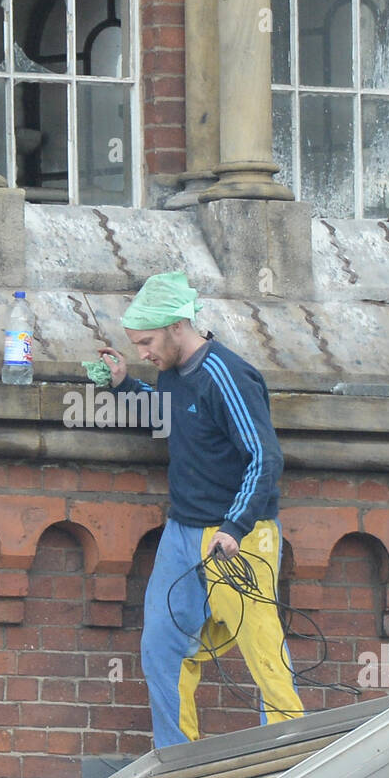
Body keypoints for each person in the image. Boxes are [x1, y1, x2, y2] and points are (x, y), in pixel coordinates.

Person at [95, 269, 305, 748]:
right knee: (163, 646)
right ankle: (176, 757)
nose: (144, 353)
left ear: (176, 327)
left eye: (146, 342)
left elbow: (265, 456)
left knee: (261, 646)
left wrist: (235, 526)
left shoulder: (227, 374)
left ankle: (289, 748)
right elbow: (169, 417)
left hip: (238, 535)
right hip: (183, 530)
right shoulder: (170, 374)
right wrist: (126, 385)